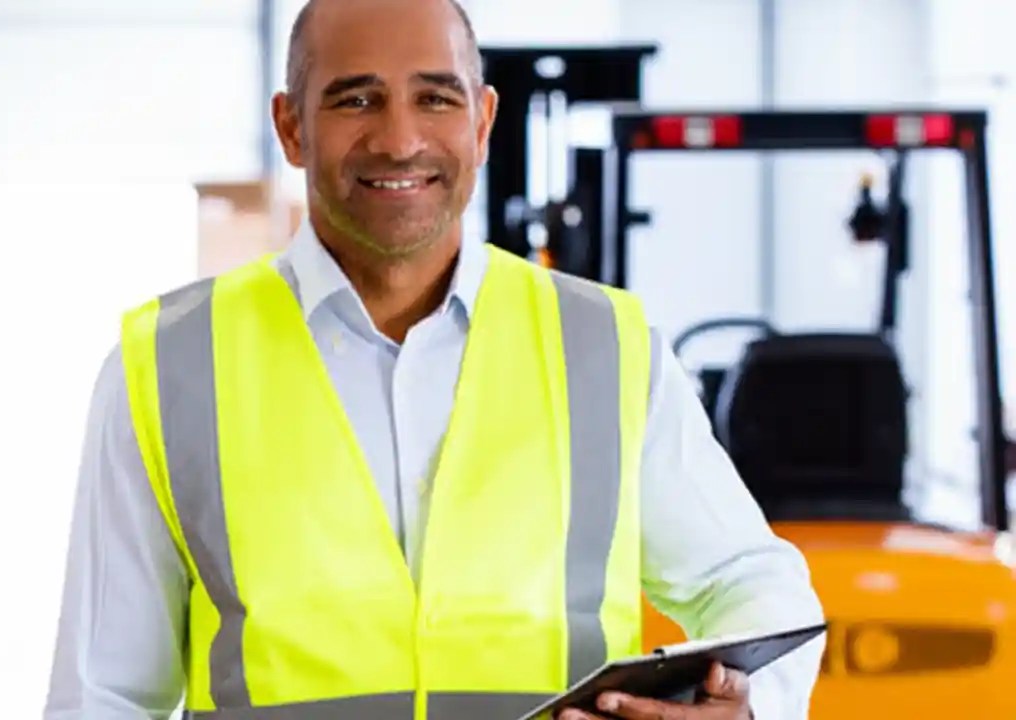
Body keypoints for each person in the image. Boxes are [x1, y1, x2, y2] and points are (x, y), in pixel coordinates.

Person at [43, 0, 826, 718]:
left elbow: (752, 583)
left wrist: (748, 708)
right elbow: (101, 695)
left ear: (483, 122)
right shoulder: (168, 363)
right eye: (355, 99)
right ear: (291, 128)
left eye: (436, 98)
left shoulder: (609, 347)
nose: (400, 139)